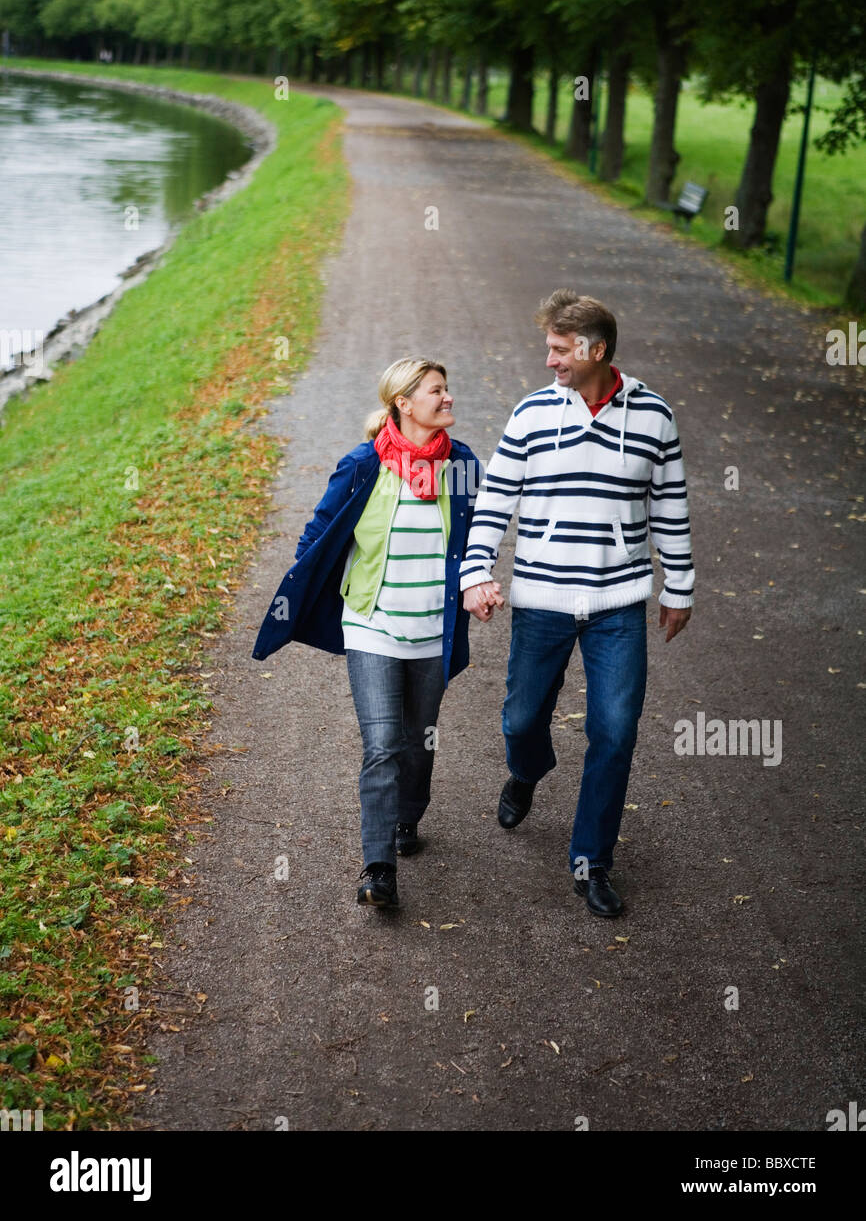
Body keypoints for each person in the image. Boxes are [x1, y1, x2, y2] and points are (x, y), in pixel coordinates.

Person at [461, 291, 694, 918]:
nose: (549, 361)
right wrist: (475, 570)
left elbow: (670, 507)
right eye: (549, 349)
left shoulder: (654, 416)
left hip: (619, 602)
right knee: (520, 720)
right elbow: (495, 500)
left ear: (596, 350)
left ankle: (591, 860)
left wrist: (680, 586)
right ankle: (527, 770)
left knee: (615, 732)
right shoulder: (532, 414)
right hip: (542, 597)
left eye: (560, 350)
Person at [252, 359, 481, 909]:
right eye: (436, 391)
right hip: (372, 626)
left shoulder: (464, 464)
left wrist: (478, 580)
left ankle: (408, 816)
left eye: (447, 390)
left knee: (418, 740)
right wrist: (317, 586)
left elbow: (480, 532)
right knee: (382, 746)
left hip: (433, 630)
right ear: (403, 402)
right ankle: (377, 869)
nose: (448, 398)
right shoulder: (362, 465)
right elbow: (317, 534)